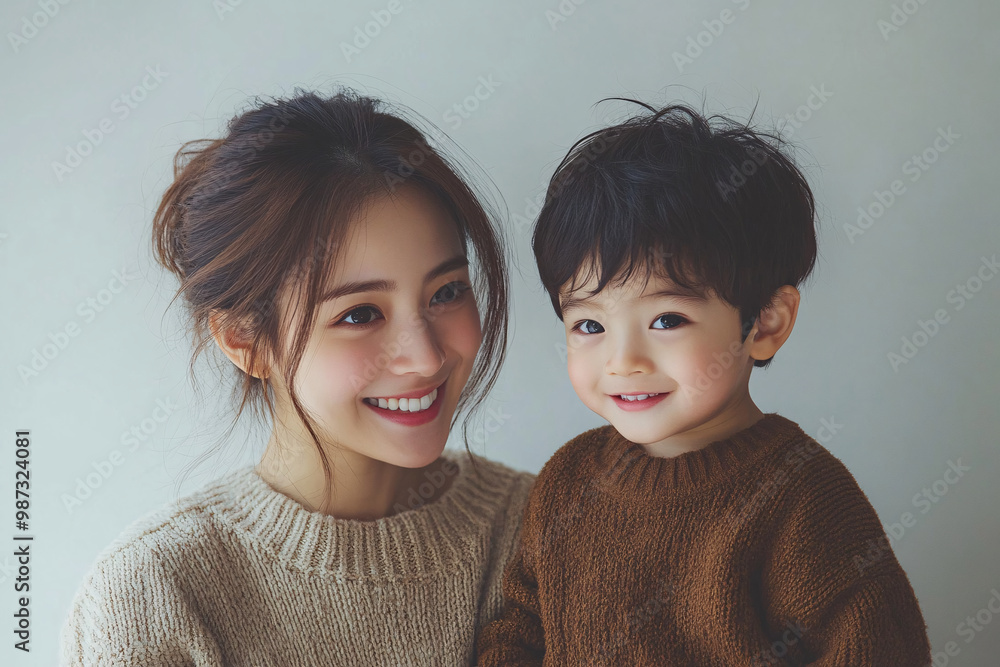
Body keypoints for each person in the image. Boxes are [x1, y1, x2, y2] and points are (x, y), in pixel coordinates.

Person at [59, 88, 535, 666]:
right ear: (245, 341)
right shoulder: (155, 594)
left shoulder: (547, 530)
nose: (427, 358)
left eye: (447, 292)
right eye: (359, 314)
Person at [475, 101, 933, 665]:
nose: (623, 360)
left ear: (764, 323)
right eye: (589, 325)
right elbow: (521, 626)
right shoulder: (567, 481)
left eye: (667, 320)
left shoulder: (801, 497)